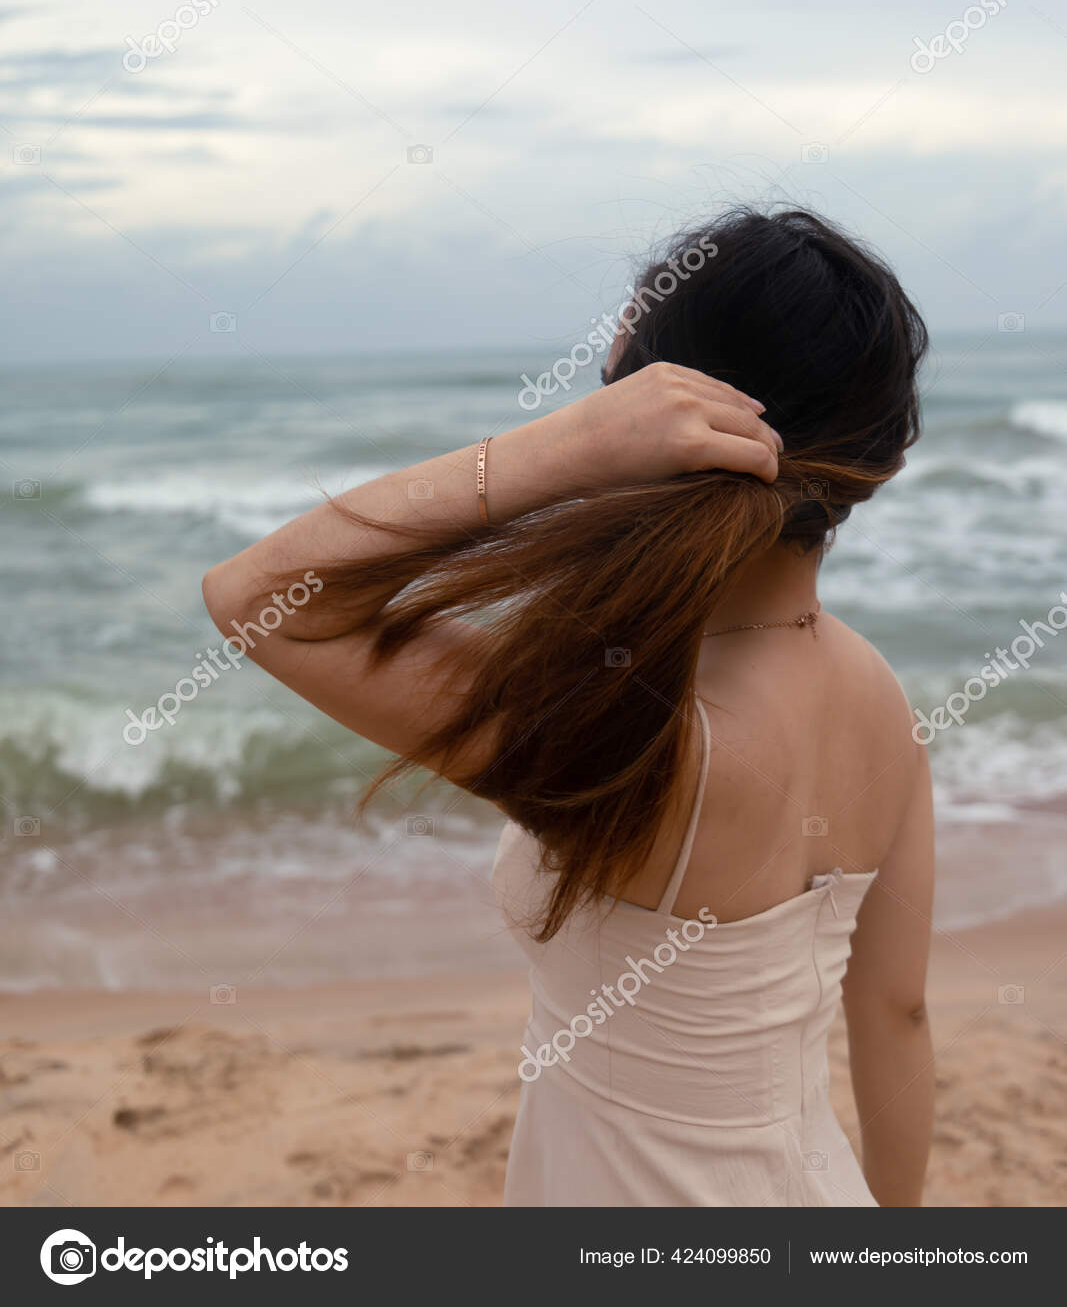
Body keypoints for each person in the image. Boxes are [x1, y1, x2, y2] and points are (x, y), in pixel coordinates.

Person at [202, 206, 934, 1207]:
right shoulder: (880, 701)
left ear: (650, 424)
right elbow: (894, 1013)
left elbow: (260, 599)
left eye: (613, 381)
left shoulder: (632, 729)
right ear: (876, 458)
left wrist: (554, 449)